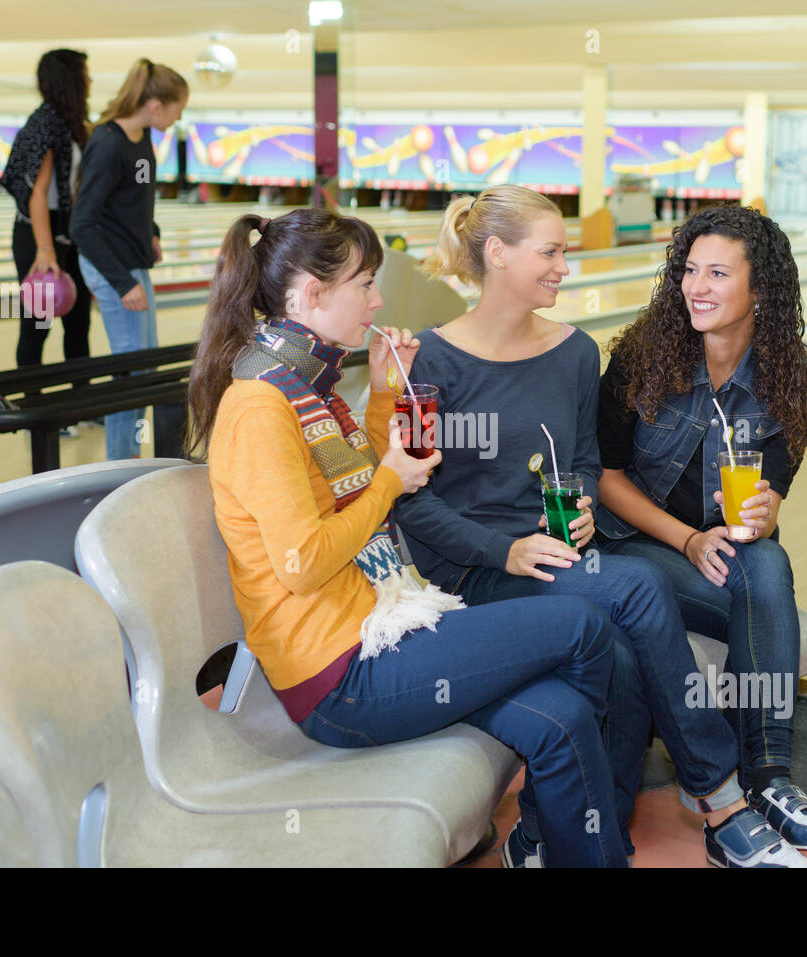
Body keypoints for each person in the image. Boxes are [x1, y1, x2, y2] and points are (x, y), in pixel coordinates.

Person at [188, 207, 628, 867]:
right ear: (312, 294)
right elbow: (304, 562)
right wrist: (390, 481)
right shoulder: (260, 406)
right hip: (340, 674)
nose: (378, 298)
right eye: (364, 283)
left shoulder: (304, 387)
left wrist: (387, 391)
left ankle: (543, 844)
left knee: (561, 716)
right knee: (586, 627)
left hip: (380, 625)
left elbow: (357, 477)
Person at [397, 185, 807, 867]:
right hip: (473, 570)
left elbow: (587, 463)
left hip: (557, 559)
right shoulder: (427, 363)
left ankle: (559, 839)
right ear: (497, 254)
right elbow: (410, 504)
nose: (566, 266)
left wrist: (584, 506)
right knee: (642, 590)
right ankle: (719, 794)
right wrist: (505, 549)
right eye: (552, 251)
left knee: (620, 654)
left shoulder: (574, 352)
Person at [595, 203, 807, 851]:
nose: (696, 286)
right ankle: (736, 777)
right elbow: (604, 476)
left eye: (717, 273)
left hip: (717, 557)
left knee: (766, 562)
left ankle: (765, 775)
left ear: (759, 288)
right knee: (761, 573)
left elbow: (773, 496)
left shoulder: (792, 381)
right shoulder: (641, 358)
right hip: (632, 547)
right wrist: (685, 537)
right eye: (689, 269)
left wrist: (764, 511)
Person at [71, 58, 188, 460]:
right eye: (178, 109)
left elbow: (135, 195)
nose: (179, 117)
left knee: (144, 370)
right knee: (132, 376)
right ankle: (121, 467)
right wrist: (123, 282)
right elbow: (82, 223)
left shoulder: (140, 140)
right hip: (114, 269)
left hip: (133, 261)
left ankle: (129, 462)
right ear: (157, 106)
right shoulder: (108, 143)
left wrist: (150, 232)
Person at [0, 48, 94, 426]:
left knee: (78, 322)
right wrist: (45, 250)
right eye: (84, 74)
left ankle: (82, 405)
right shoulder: (45, 123)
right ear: (69, 80)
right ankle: (32, 409)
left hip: (66, 233)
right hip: (39, 234)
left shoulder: (71, 123)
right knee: (37, 324)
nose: (89, 81)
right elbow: (36, 192)